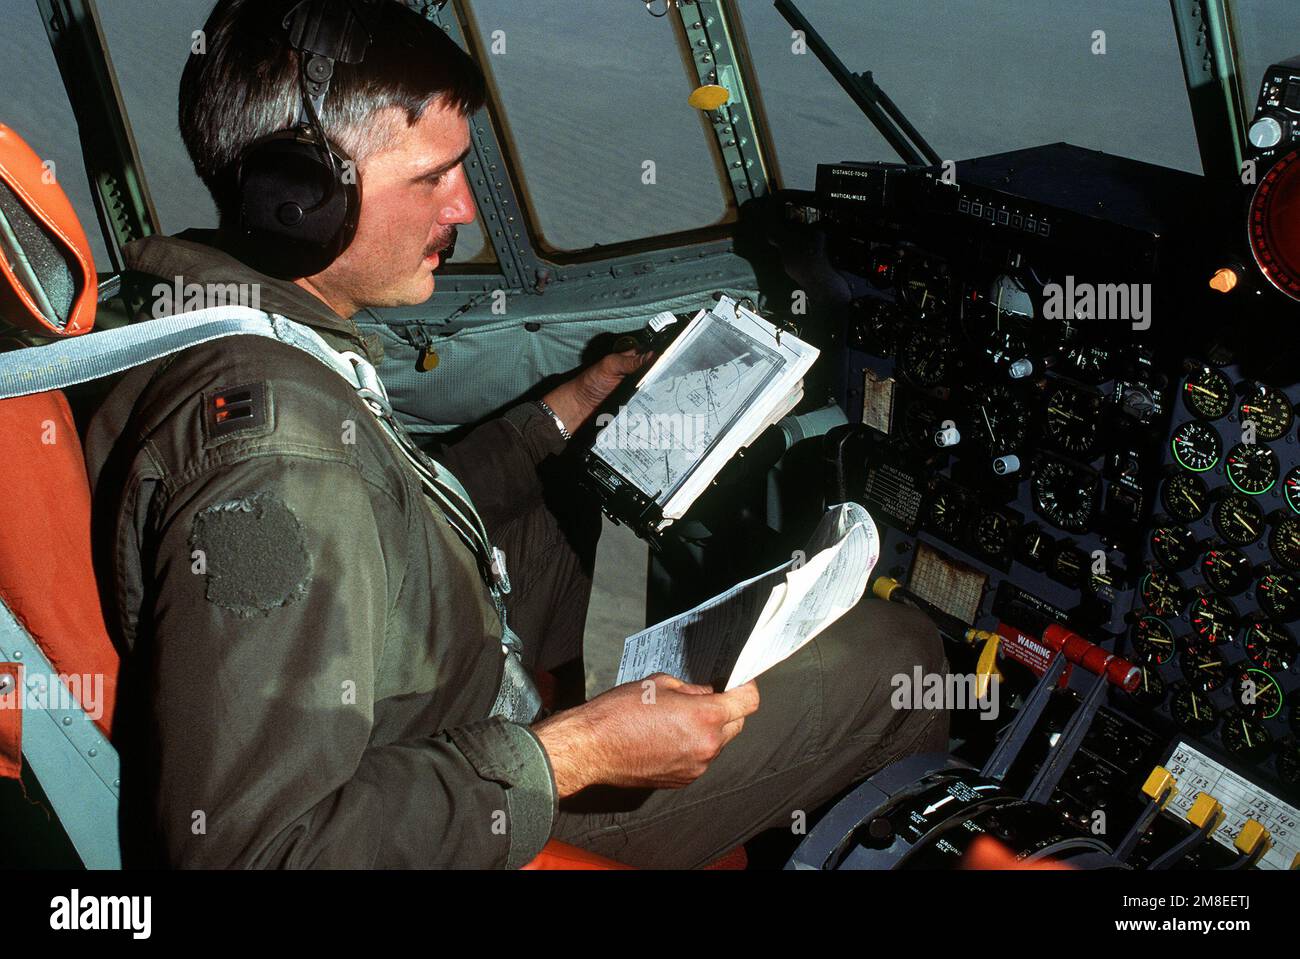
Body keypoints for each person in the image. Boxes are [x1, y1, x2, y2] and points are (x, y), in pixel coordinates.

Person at [82, 0, 947, 869]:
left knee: (577, 488)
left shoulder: (206, 313)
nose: (462, 206)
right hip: (466, 795)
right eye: (431, 178)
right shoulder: (279, 459)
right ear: (295, 201)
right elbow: (252, 852)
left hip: (427, 679)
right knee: (898, 651)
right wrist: (577, 753)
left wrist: (568, 406)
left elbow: (390, 491)